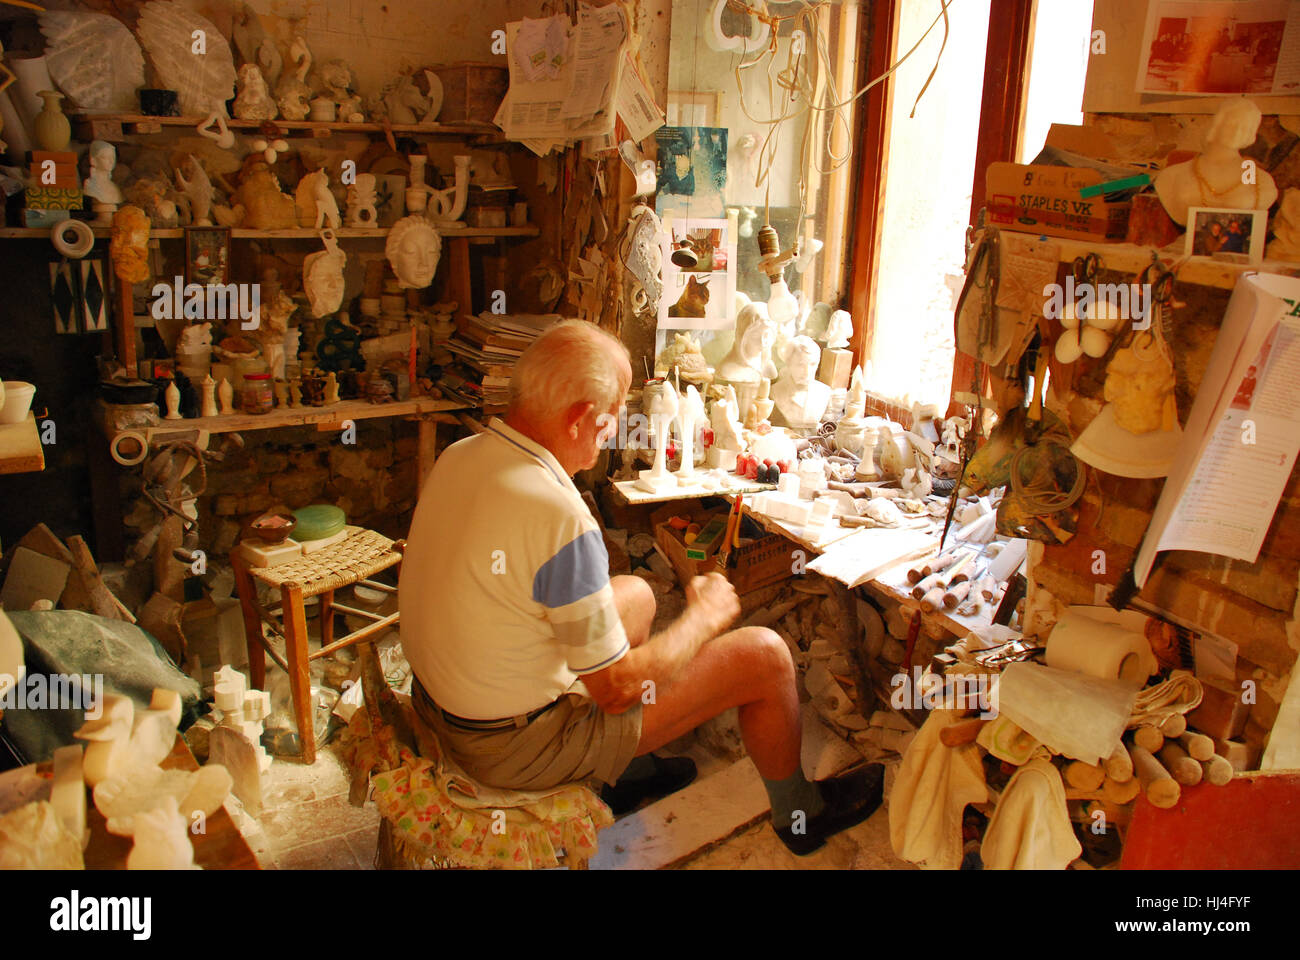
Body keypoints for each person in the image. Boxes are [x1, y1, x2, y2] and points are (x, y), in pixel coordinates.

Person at [399, 319, 883, 855]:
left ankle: (623, 767)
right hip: (510, 747)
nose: (614, 432)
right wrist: (701, 618)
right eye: (611, 420)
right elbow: (618, 690)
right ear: (581, 419)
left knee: (636, 594)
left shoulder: (463, 453)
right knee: (764, 657)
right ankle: (801, 817)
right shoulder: (557, 516)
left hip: (447, 703)